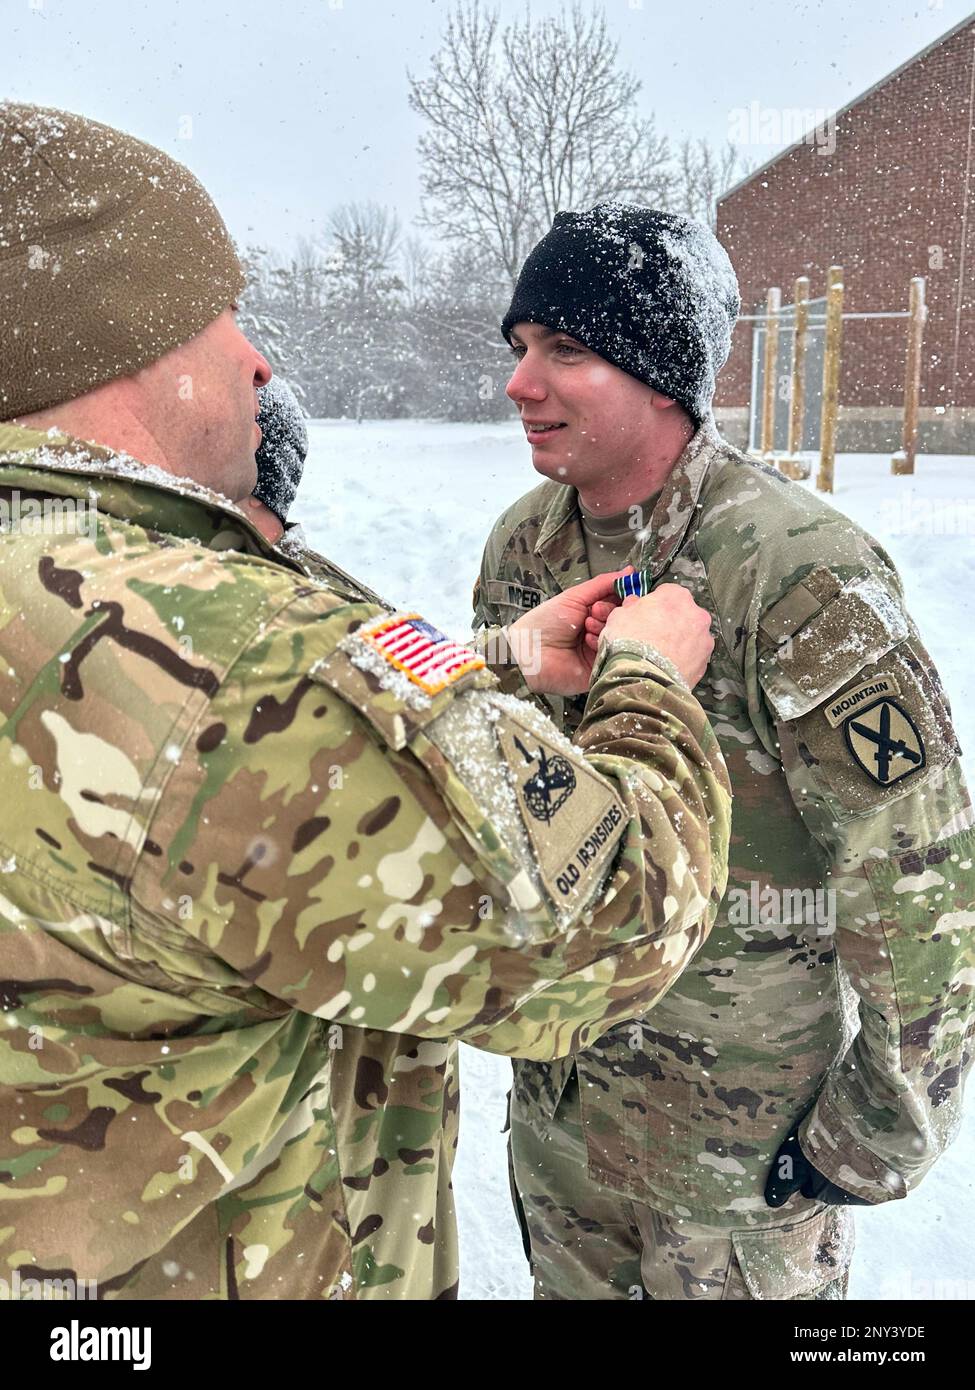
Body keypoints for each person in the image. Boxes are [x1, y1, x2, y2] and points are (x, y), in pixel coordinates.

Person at [0, 106, 730, 1301]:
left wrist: (488, 662)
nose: (257, 361)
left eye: (564, 348)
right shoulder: (230, 648)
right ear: (107, 338)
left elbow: (207, 772)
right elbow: (613, 924)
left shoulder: (74, 585)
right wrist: (649, 680)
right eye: (217, 316)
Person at [474, 202, 975, 1301]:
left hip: (737, 1157)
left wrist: (876, 1133)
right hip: (564, 1130)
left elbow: (917, 879)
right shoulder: (524, 547)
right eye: (519, 351)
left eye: (564, 350)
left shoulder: (794, 570)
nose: (520, 383)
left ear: (663, 375)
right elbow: (474, 771)